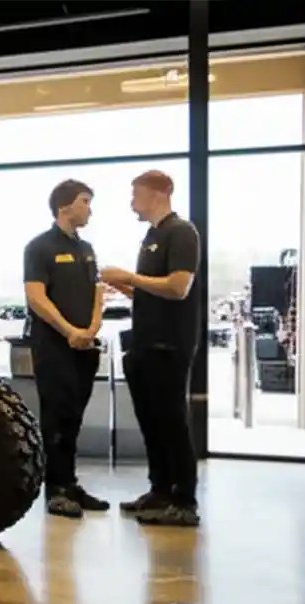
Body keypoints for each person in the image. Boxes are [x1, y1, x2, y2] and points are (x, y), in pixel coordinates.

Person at [100, 170, 201, 527]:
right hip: (143, 342)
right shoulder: (152, 236)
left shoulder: (181, 232)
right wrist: (124, 288)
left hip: (169, 344)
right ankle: (160, 491)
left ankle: (184, 500)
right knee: (150, 421)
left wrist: (129, 277)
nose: (132, 202)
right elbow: (151, 291)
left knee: (172, 421)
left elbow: (178, 287)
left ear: (159, 193)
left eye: (136, 194)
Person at [23, 179, 109, 518]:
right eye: (85, 201)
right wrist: (68, 330)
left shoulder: (86, 248)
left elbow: (96, 291)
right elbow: (36, 296)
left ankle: (70, 482)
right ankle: (55, 490)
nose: (90, 208)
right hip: (53, 346)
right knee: (56, 417)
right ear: (64, 206)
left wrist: (91, 327)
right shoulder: (39, 247)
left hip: (84, 346)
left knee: (74, 416)